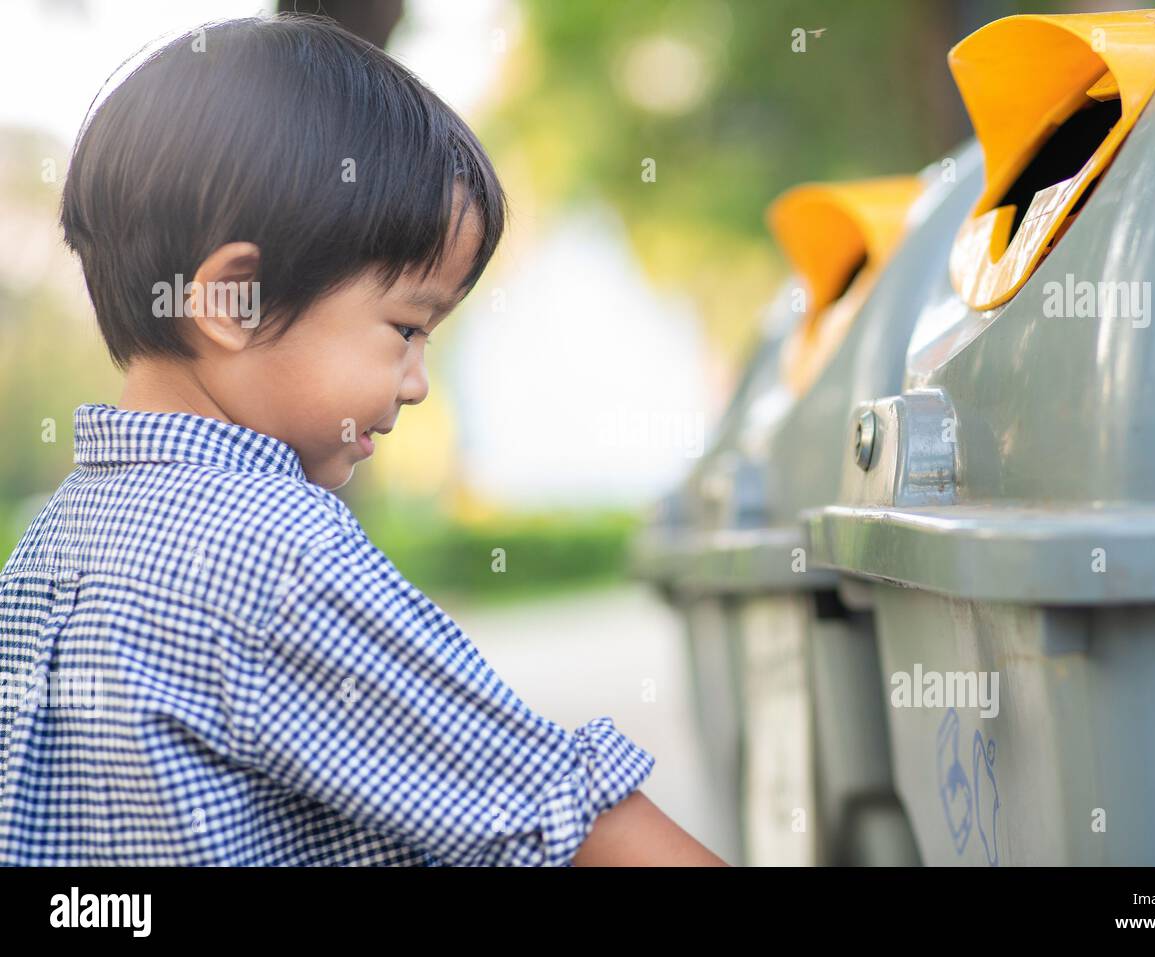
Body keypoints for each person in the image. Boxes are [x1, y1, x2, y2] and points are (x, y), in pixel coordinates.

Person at [0, 14, 726, 868]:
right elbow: (569, 820)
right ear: (231, 300)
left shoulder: (46, 549)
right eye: (407, 328)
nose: (417, 382)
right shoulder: (276, 556)